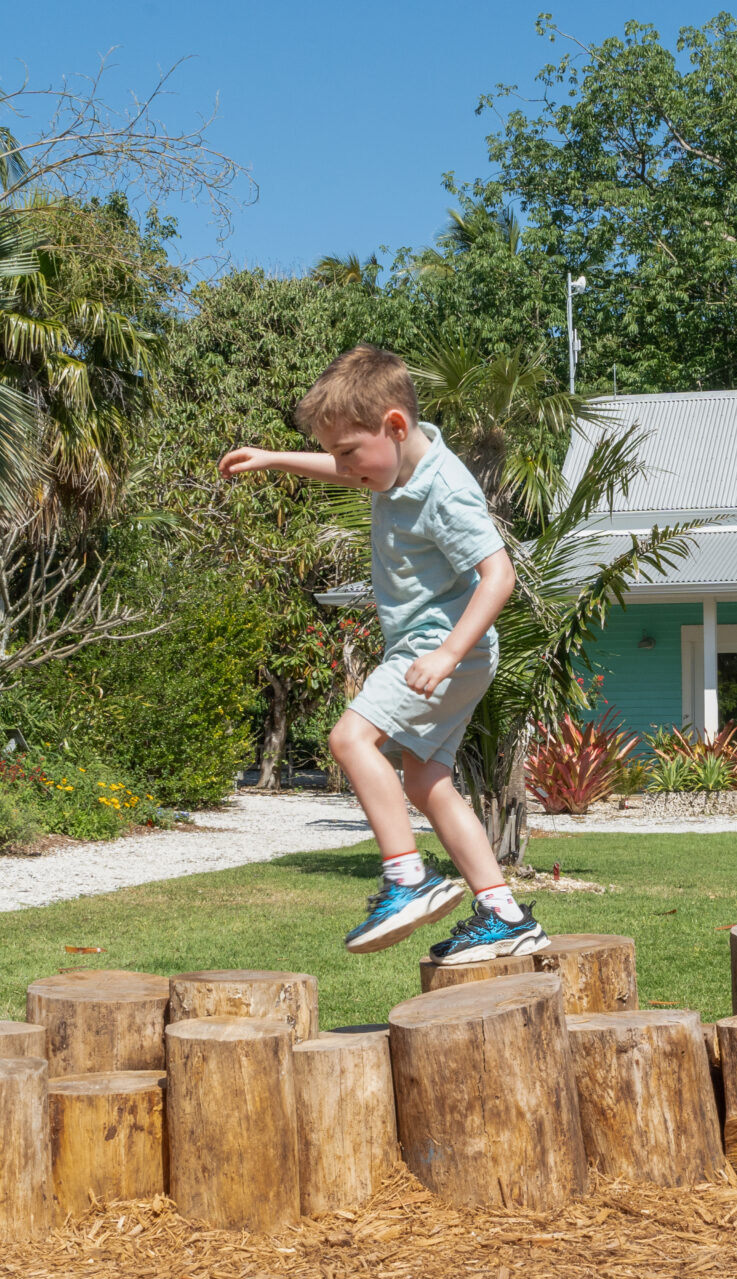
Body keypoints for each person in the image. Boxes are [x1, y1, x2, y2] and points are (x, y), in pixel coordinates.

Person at [220, 345, 548, 964]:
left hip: (442, 648)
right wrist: (274, 460)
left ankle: (407, 879)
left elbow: (498, 574)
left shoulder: (444, 489)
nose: (345, 467)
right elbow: (344, 466)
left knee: (350, 740)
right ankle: (505, 915)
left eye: (349, 452)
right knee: (427, 782)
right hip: (446, 652)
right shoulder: (393, 465)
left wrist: (448, 653)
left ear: (394, 426)